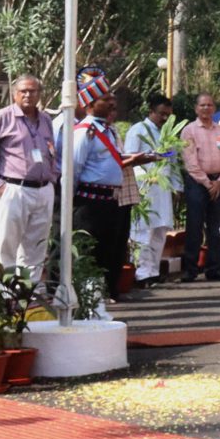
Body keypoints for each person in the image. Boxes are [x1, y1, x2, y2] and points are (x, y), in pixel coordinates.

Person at [68, 71, 152, 298]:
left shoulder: (107, 130)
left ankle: (101, 296)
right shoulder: (85, 132)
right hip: (89, 202)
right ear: (90, 104)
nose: (112, 102)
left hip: (110, 200)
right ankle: (86, 298)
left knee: (108, 250)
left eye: (111, 98)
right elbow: (74, 169)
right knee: (90, 252)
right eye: (105, 99)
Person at [0, 75, 60, 290]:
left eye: (33, 91)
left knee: (37, 246)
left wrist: (53, 177)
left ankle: (29, 295)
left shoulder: (46, 120)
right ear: (15, 94)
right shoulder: (2, 118)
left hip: (43, 190)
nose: (28, 95)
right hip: (14, 189)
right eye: (23, 91)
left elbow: (52, 153)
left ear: (40, 94)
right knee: (7, 245)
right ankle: (6, 295)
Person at [124, 92, 178, 289]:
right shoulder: (138, 130)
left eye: (167, 115)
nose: (164, 118)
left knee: (160, 230)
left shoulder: (168, 134)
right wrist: (146, 175)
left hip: (163, 189)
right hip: (145, 186)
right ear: (151, 112)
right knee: (143, 231)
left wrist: (176, 187)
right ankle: (141, 273)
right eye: (161, 114)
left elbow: (172, 161)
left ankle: (153, 272)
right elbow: (130, 159)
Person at [180, 91, 220, 282]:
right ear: (196, 108)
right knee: (194, 226)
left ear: (214, 108)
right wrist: (207, 182)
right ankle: (190, 270)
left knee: (216, 227)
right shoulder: (189, 131)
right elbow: (190, 162)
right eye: (202, 105)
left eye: (210, 105)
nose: (206, 108)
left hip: (219, 182)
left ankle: (214, 268)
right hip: (197, 183)